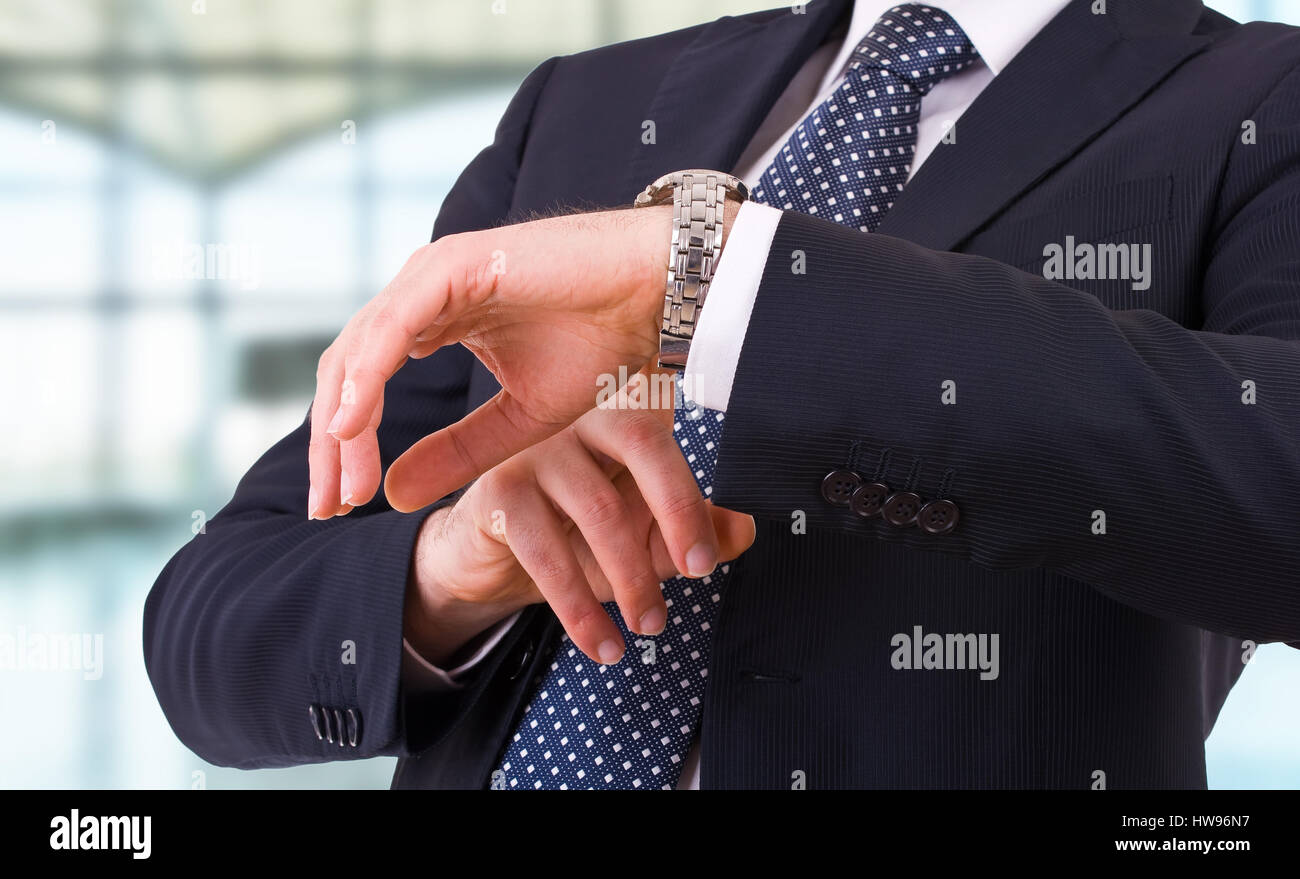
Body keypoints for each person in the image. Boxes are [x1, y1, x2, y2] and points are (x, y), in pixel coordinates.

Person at [145, 0, 1300, 789]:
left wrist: (711, 279)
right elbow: (212, 619)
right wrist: (453, 563)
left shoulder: (1258, 103)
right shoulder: (584, 104)